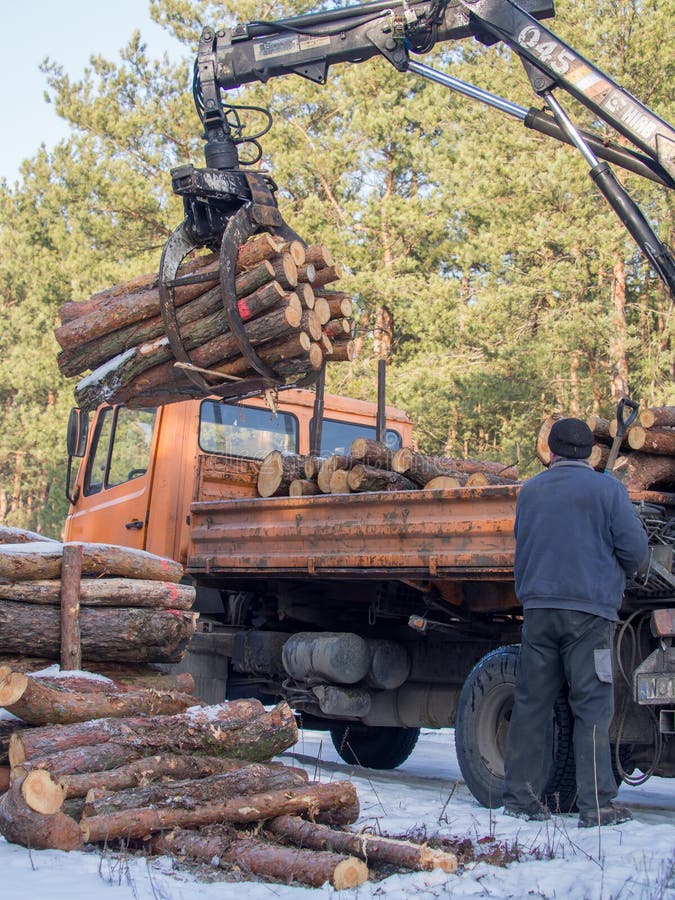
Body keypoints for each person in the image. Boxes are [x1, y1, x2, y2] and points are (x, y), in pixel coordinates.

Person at [502, 417, 648, 827]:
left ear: (550, 451)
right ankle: (596, 806)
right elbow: (636, 553)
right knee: (593, 707)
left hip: (539, 611)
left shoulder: (530, 491)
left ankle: (521, 800)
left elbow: (524, 542)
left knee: (532, 704)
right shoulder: (607, 490)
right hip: (590, 614)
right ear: (590, 453)